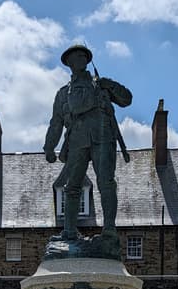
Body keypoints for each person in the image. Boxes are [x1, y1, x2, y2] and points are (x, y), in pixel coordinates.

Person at [43, 43, 132, 243]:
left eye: (83, 57)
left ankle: (109, 228)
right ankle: (69, 232)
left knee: (106, 183)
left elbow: (127, 99)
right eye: (74, 58)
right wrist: (49, 146)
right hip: (76, 142)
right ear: (69, 63)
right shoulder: (63, 93)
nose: (79, 60)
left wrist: (110, 84)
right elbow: (56, 123)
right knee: (72, 186)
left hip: (102, 138)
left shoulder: (100, 85)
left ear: (87, 60)